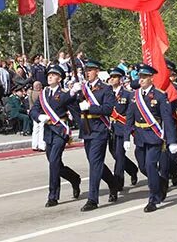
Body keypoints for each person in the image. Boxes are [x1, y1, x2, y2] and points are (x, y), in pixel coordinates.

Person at [123, 63, 177, 213]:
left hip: (154, 136)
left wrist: (172, 140)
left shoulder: (160, 95)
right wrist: (126, 137)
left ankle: (154, 198)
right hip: (140, 137)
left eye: (144, 77)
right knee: (143, 166)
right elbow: (129, 117)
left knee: (150, 165)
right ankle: (160, 183)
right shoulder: (134, 96)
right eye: (140, 76)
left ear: (151, 79)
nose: (141, 79)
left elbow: (167, 119)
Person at [29, 64, 82, 207]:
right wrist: (40, 117)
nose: (50, 76)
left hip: (60, 131)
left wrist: (73, 93)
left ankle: (53, 196)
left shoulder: (64, 93)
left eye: (53, 75)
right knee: (56, 164)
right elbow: (33, 110)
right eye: (49, 75)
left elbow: (67, 100)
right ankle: (74, 178)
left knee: (53, 162)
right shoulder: (44, 94)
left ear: (59, 78)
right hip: (48, 132)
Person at [72, 59, 119, 211]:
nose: (87, 73)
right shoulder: (83, 88)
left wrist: (90, 108)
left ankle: (92, 199)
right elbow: (74, 107)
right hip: (86, 129)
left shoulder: (105, 89)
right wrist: (74, 93)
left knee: (94, 163)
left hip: (99, 129)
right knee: (94, 162)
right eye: (86, 70)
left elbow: (107, 109)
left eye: (90, 70)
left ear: (97, 71)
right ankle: (112, 182)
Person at [105, 66, 139, 191]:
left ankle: (118, 183)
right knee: (114, 154)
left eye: (115, 77)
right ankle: (132, 169)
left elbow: (130, 114)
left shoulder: (127, 94)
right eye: (111, 77)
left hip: (121, 127)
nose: (112, 79)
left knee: (119, 155)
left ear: (120, 79)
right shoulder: (106, 92)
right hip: (109, 127)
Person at [28, 81, 46, 151]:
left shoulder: (31, 93)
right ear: (38, 86)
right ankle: (41, 145)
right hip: (41, 113)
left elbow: (30, 104)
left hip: (33, 113)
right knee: (42, 130)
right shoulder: (41, 94)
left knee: (35, 130)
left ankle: (34, 145)